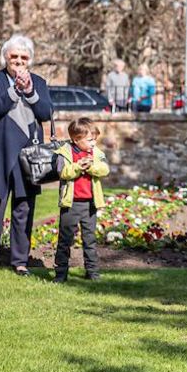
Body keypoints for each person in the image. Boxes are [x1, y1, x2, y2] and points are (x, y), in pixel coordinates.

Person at [0, 34, 53, 276]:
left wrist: (29, 90)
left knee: (24, 208)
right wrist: (14, 90)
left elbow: (45, 112)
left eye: (24, 57)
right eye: (14, 56)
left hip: (28, 154)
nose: (19, 60)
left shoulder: (39, 81)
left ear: (30, 59)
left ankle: (19, 261)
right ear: (5, 57)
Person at [54, 118, 110, 282]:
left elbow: (104, 169)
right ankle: (60, 274)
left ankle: (92, 273)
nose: (93, 143)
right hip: (71, 204)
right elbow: (63, 172)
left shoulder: (96, 153)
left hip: (89, 204)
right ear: (76, 139)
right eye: (90, 140)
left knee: (90, 239)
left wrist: (91, 166)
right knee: (65, 240)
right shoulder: (65, 152)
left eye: (95, 139)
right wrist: (79, 166)